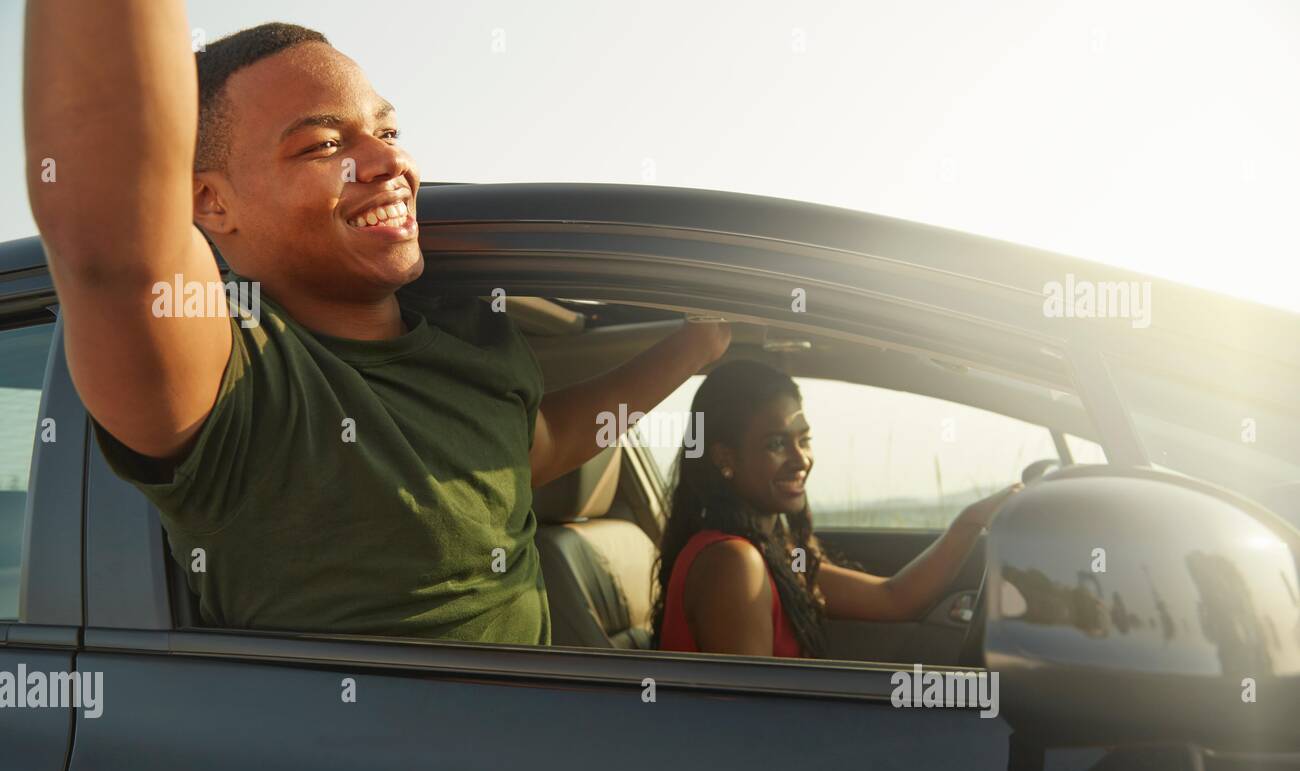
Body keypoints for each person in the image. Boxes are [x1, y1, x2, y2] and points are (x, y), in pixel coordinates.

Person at [24, 4, 729, 644]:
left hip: (569, 758)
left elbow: (530, 447)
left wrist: (700, 341)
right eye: (324, 146)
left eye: (388, 131)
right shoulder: (239, 387)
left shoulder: (478, 342)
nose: (391, 161)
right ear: (210, 203)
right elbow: (109, 237)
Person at [653, 361, 1020, 658]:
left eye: (804, 440)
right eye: (776, 444)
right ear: (724, 458)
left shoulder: (770, 554)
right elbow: (751, 720)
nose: (801, 460)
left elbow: (893, 599)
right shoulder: (733, 562)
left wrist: (972, 519)